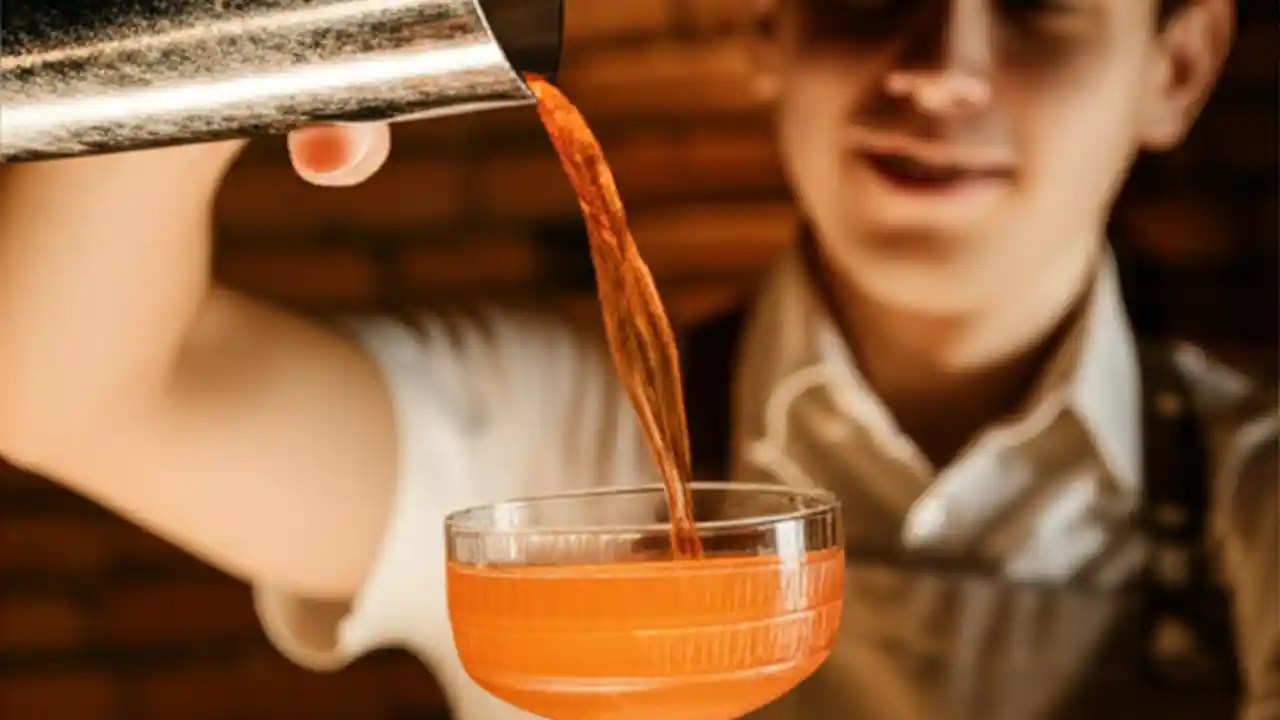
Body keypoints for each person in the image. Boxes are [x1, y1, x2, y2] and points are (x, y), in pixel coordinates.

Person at [0, 0, 1273, 718]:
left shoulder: (1250, 493)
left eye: (1042, 8)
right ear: (770, 28)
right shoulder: (546, 443)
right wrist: (202, 36)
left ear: (1178, 66)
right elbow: (72, 385)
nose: (939, 69)